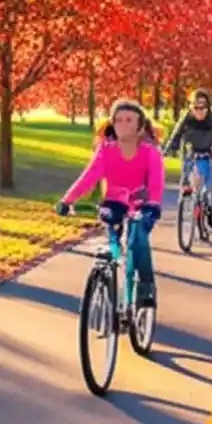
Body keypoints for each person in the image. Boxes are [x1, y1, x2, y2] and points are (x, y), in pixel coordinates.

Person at [57, 99, 165, 307]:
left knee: (137, 238)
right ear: (112, 124)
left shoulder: (149, 151)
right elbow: (89, 177)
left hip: (143, 204)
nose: (123, 124)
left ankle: (145, 286)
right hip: (114, 201)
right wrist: (67, 200)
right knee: (112, 233)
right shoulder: (106, 150)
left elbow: (156, 183)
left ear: (139, 125)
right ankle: (110, 272)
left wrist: (152, 204)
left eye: (129, 120)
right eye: (118, 120)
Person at [164, 89, 212, 227]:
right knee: (187, 178)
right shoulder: (187, 118)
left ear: (208, 107)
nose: (199, 111)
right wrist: (168, 149)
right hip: (190, 153)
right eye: (195, 107)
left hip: (206, 153)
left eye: (202, 107)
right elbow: (176, 134)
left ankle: (208, 208)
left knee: (208, 187)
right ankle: (186, 200)